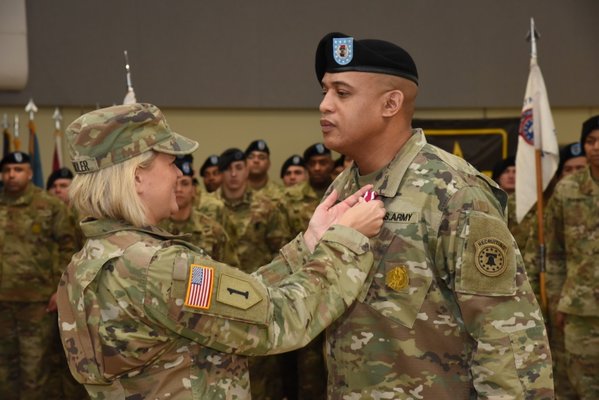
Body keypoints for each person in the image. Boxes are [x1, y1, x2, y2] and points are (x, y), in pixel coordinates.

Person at [57, 103, 385, 400]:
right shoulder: (156, 267)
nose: (180, 174)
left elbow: (235, 303)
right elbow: (279, 318)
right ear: (138, 176)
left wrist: (309, 244)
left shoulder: (89, 262)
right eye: (171, 162)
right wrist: (345, 241)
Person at [311, 32, 553, 398]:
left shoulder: (454, 192)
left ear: (391, 104)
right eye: (324, 91)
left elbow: (509, 338)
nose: (324, 105)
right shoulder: (342, 189)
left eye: (341, 93)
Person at [0, 151, 76, 400]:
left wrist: (60, 289)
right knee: (4, 373)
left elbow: (68, 248)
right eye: (7, 170)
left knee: (35, 371)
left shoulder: (50, 206)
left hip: (37, 304)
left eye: (18, 169)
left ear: (30, 173)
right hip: (2, 304)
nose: (12, 175)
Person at [546, 115, 599, 399]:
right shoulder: (566, 190)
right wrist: (556, 300)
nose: (596, 147)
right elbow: (554, 253)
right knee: (582, 388)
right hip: (580, 309)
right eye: (590, 141)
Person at [159, 154, 238, 266]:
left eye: (185, 183)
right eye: (174, 183)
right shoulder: (154, 229)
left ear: (193, 190)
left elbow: (231, 270)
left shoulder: (213, 231)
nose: (179, 189)